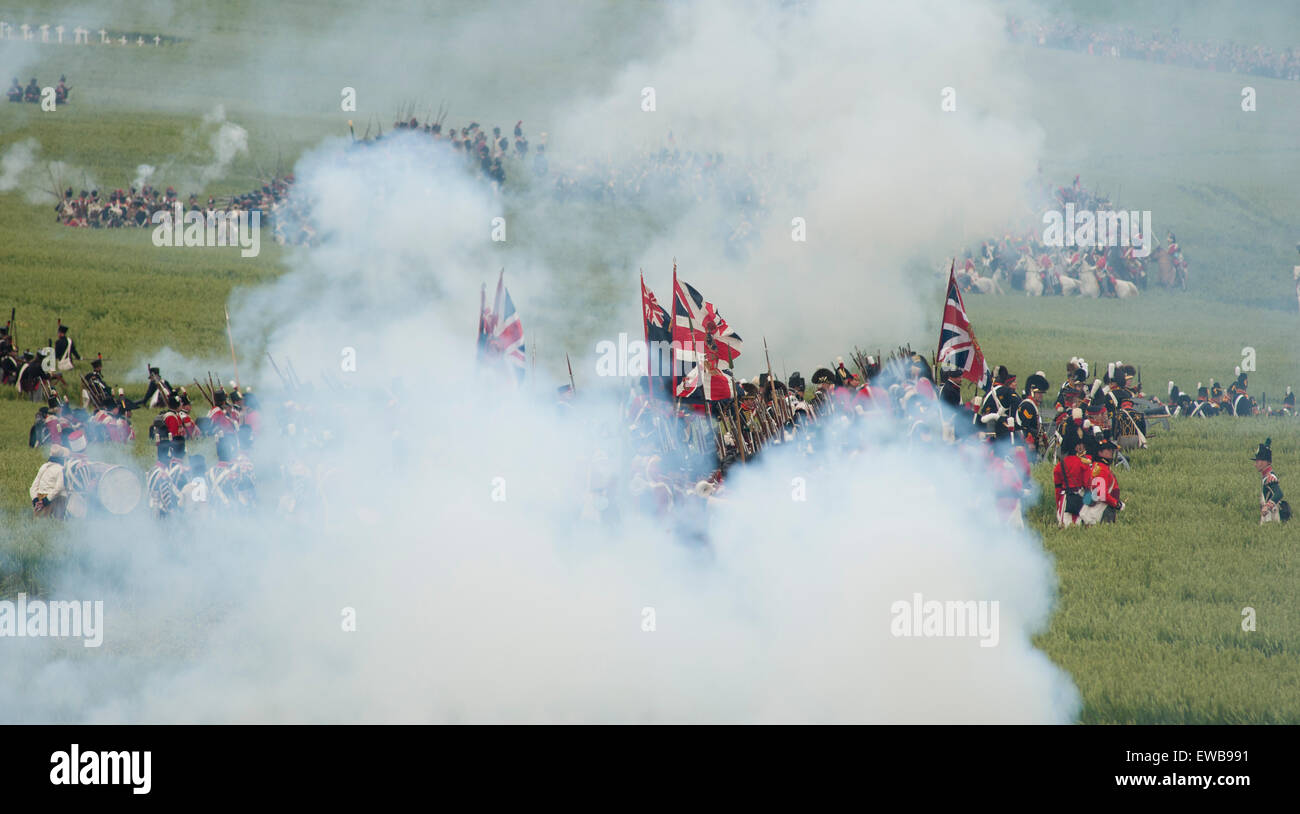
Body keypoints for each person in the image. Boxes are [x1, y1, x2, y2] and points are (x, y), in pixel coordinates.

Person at [1080, 438, 1124, 524]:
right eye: (1108, 450)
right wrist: (1117, 504)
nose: (1111, 452)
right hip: (1101, 512)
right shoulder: (1101, 469)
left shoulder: (1098, 466)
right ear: (1100, 453)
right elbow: (1101, 494)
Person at [1252, 438, 1289, 524]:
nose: (1255, 464)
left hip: (1271, 517)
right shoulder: (1266, 476)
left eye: (1257, 461)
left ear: (1265, 462)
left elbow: (1279, 493)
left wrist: (1267, 507)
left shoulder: (1270, 477)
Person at [30, 445, 70, 518]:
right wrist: (45, 501)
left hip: (40, 497)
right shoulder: (61, 469)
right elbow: (59, 488)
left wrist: (36, 500)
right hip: (52, 500)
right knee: (63, 493)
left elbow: (33, 487)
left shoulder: (43, 466)